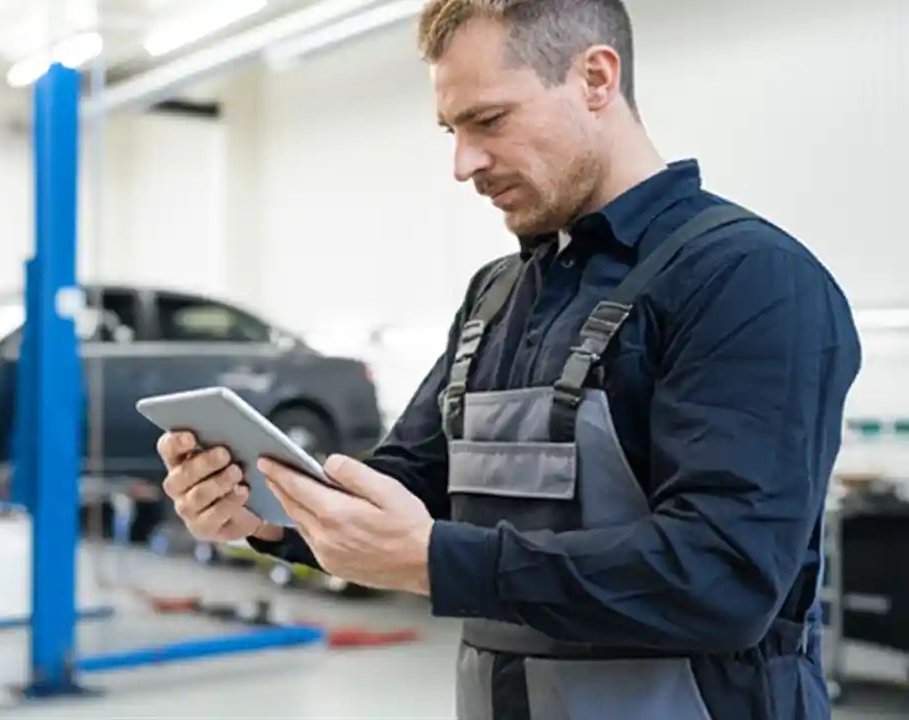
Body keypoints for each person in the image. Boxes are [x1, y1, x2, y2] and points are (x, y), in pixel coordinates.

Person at [156, 0, 861, 717]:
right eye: (452, 129)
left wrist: (436, 561)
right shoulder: (496, 294)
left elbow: (723, 577)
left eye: (489, 121)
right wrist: (269, 513)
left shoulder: (745, 279)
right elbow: (419, 481)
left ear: (595, 77)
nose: (464, 164)